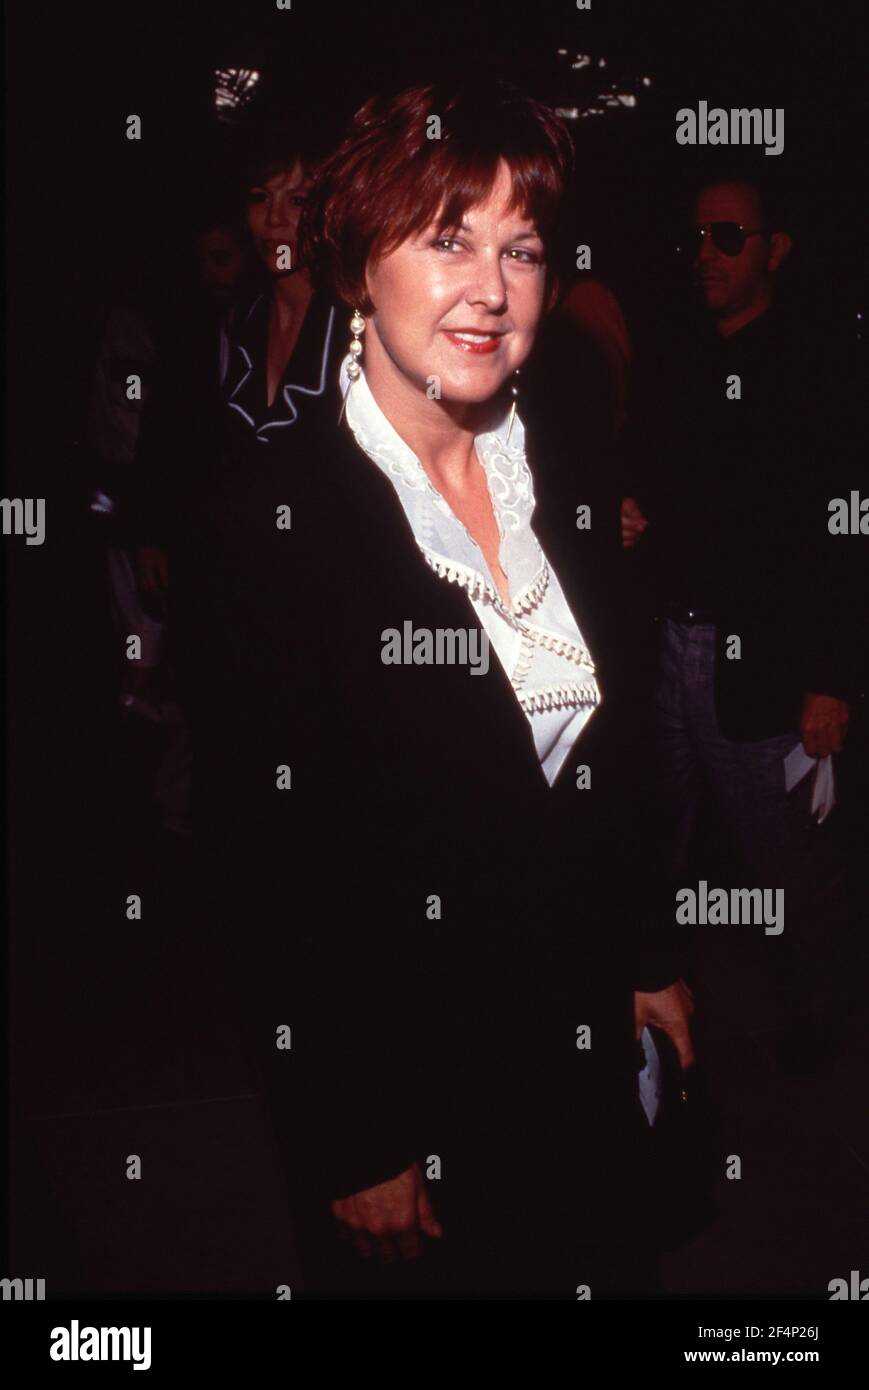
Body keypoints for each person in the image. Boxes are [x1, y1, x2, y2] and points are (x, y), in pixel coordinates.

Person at [186, 78, 693, 1298]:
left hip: (577, 1045)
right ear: (357, 265)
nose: (491, 287)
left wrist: (643, 947)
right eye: (447, 238)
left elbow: (608, 756)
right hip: (415, 1075)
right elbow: (268, 867)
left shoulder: (559, 447)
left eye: (520, 247)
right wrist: (348, 1133)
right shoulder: (273, 525)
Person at [621, 174, 862, 1069]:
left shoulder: (818, 368)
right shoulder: (677, 351)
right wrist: (620, 509)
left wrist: (830, 678)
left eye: (730, 236)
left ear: (775, 249)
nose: (707, 255)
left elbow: (845, 532)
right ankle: (658, 1013)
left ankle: (824, 1027)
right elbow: (638, 472)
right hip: (664, 649)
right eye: (698, 238)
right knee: (655, 844)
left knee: (790, 864)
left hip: (764, 663)